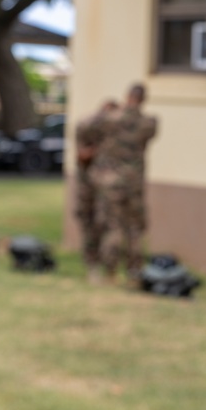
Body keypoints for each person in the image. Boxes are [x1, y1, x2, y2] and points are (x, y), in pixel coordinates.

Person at [92, 83, 158, 286]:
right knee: (134, 229)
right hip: (134, 182)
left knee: (113, 226)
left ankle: (109, 272)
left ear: (128, 96)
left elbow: (94, 126)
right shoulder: (149, 122)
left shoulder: (112, 118)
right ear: (143, 99)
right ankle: (134, 272)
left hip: (112, 180)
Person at [75, 98, 119, 284]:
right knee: (90, 223)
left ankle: (108, 267)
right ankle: (93, 265)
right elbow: (81, 156)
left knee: (106, 224)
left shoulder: (116, 132)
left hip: (107, 187)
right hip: (89, 185)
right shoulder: (88, 126)